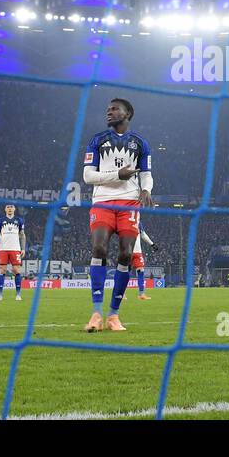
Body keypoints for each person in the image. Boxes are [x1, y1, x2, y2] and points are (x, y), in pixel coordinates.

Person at [82, 98, 153, 332]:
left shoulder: (141, 143)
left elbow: (147, 173)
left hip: (130, 202)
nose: (109, 112)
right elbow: (88, 176)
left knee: (126, 254)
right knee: (99, 249)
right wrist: (117, 175)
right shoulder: (97, 140)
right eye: (108, 109)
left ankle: (113, 315)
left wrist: (146, 189)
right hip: (102, 200)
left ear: (128, 113)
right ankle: (95, 313)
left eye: (114, 109)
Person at [0, 204, 26, 301]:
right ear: (5, 209)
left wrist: (23, 249)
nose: (10, 209)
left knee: (16, 270)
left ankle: (18, 294)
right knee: (2, 270)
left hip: (15, 249)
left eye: (11, 207)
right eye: (8, 207)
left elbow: (22, 235)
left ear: (15, 209)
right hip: (3, 249)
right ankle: (0, 295)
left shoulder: (19, 220)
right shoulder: (0, 220)